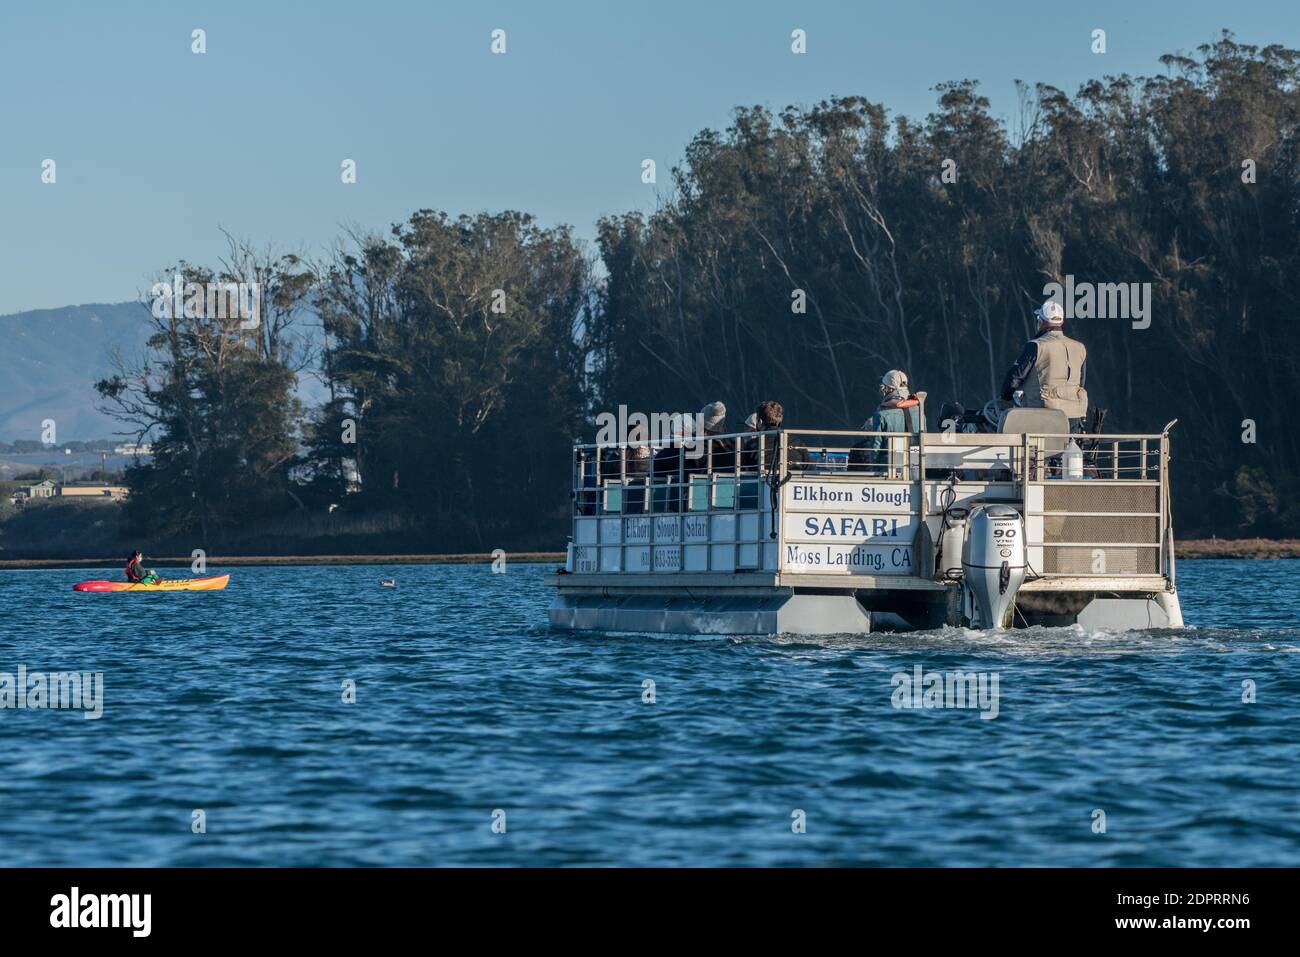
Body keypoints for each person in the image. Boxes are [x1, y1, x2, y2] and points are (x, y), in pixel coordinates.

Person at [1000, 299, 1089, 428]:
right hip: (1074, 416)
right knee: (1067, 446)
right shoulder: (1080, 347)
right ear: (1062, 322)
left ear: (1041, 322)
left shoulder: (1035, 346)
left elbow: (1015, 377)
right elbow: (1081, 382)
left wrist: (1006, 396)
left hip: (1042, 414)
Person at [860, 371, 922, 473]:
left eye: (883, 387)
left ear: (888, 389)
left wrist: (874, 470)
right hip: (915, 469)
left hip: (888, 469)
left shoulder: (881, 415)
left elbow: (875, 448)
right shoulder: (920, 413)